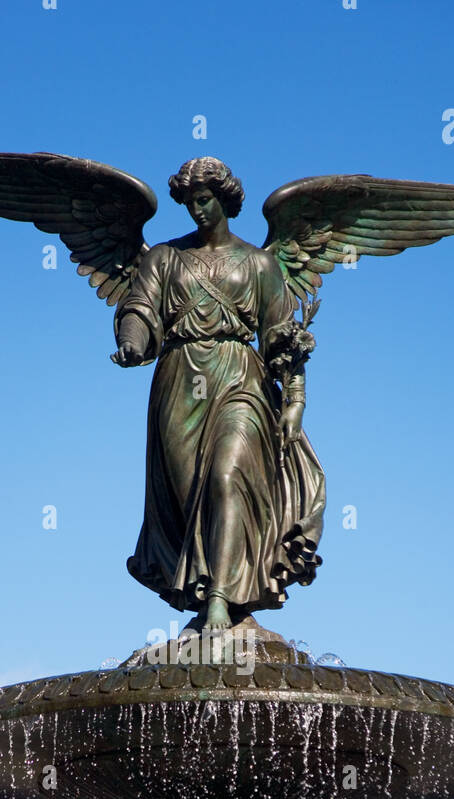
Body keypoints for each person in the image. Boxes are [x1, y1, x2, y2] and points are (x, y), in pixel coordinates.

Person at [113, 156, 325, 630]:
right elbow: (141, 308)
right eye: (189, 203)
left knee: (228, 477)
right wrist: (131, 339)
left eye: (204, 200)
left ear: (224, 200)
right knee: (190, 496)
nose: (197, 211)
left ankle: (221, 598)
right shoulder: (163, 258)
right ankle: (205, 587)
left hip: (240, 378)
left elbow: (280, 337)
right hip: (180, 380)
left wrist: (295, 401)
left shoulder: (260, 263)